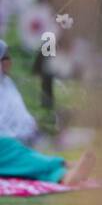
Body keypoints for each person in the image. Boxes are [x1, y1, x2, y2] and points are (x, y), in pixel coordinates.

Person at [0, 40, 94, 184]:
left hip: (16, 141)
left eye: (8, 57)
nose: (8, 62)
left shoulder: (7, 84)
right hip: (8, 142)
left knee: (19, 157)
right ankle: (63, 172)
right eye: (4, 58)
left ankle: (63, 170)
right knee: (12, 151)